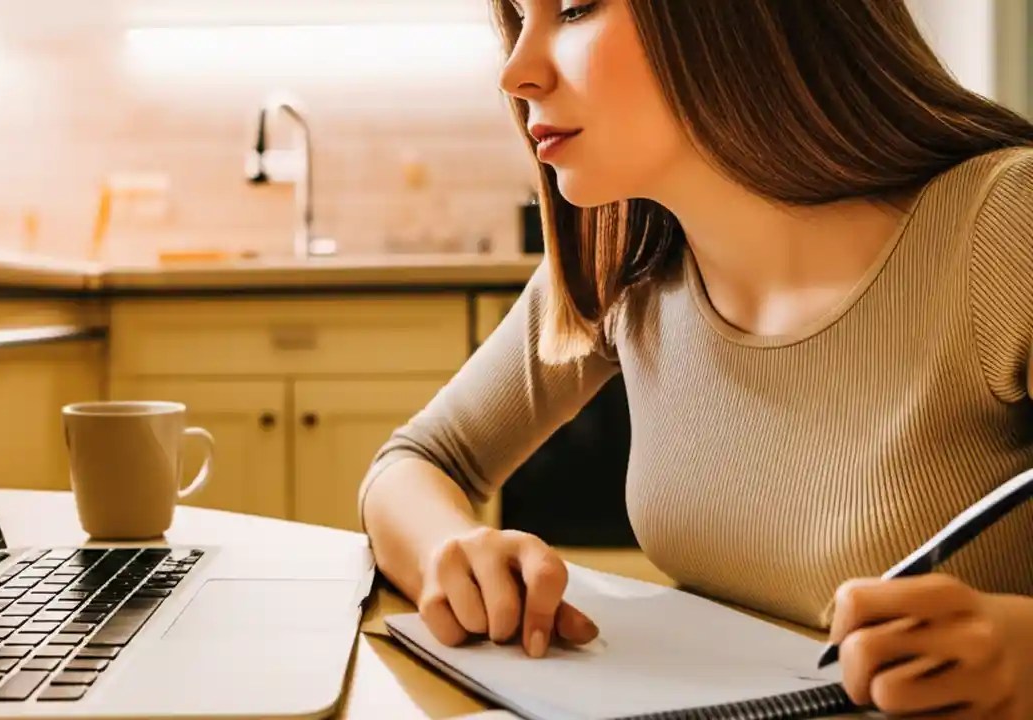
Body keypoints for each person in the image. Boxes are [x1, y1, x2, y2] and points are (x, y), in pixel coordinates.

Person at [357, 1, 1033, 716]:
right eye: (520, 18)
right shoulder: (625, 266)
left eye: (575, 8)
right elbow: (416, 461)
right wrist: (451, 551)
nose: (516, 73)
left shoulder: (1007, 224)